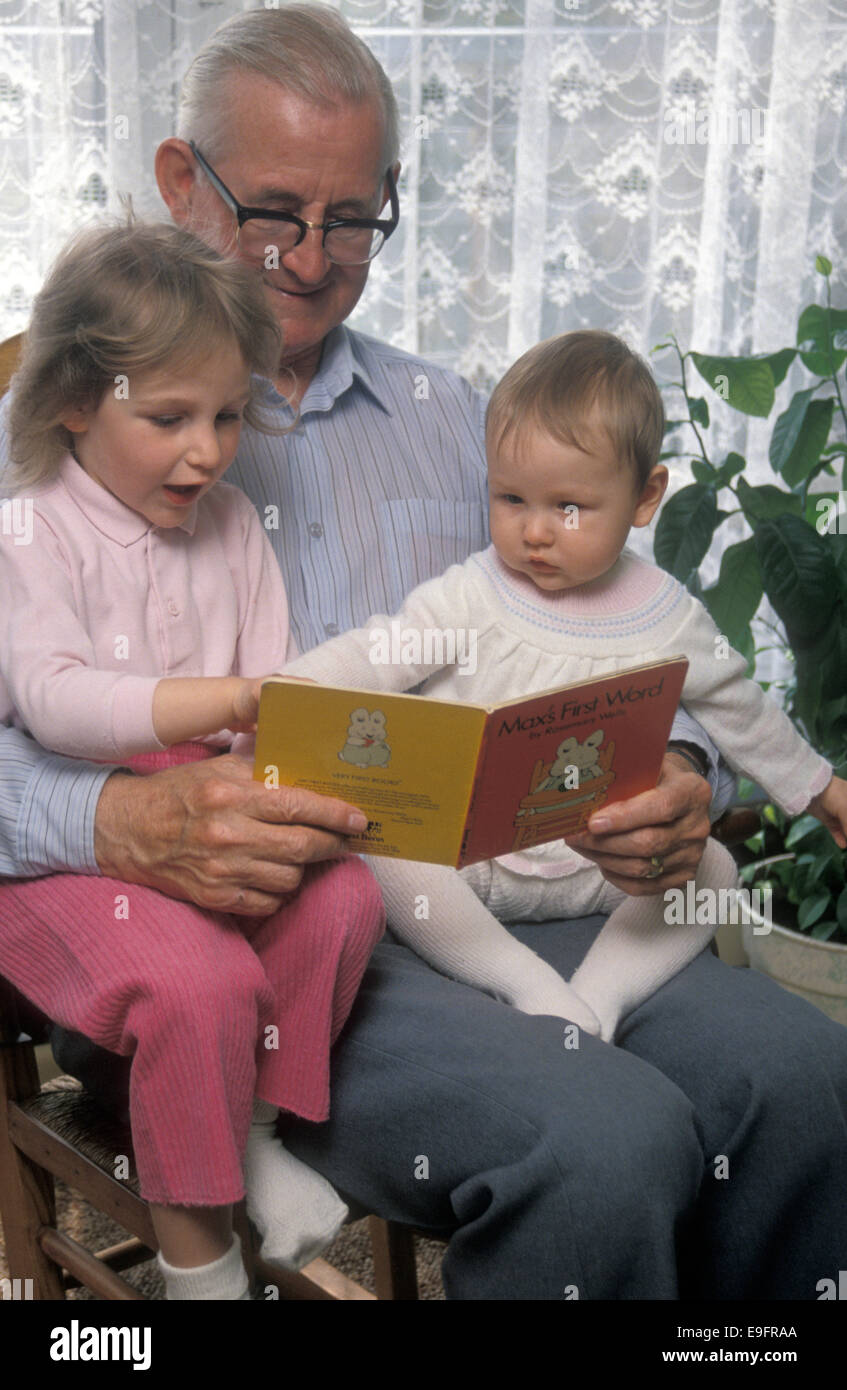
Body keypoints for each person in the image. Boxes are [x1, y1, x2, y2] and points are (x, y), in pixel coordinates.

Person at [1, 4, 846, 1299]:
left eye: (354, 218)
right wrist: (117, 816)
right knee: (601, 1138)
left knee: (806, 1080)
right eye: (275, 209)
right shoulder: (55, 447)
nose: (311, 258)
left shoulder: (457, 416)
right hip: (236, 951)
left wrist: (675, 774)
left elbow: (599, 625)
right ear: (181, 180)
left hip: (510, 887)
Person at [0, 220, 386, 1299]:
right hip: (61, 856)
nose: (208, 450)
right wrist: (225, 703)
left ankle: (253, 1130)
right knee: (197, 976)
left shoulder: (230, 526)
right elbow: (54, 701)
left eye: (226, 415)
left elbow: (273, 687)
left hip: (206, 807)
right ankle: (198, 1263)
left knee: (347, 896)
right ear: (75, 399)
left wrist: (300, 744)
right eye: (168, 417)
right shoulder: (29, 531)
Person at [269, 330, 847, 1043]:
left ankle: (596, 1001)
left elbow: (739, 709)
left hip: (597, 864)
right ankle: (518, 979)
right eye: (511, 498)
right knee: (380, 838)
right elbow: (382, 650)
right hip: (466, 865)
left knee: (716, 870)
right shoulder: (474, 592)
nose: (535, 532)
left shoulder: (666, 612)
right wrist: (287, 692)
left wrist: (820, 792)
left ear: (644, 497)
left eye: (568, 508)